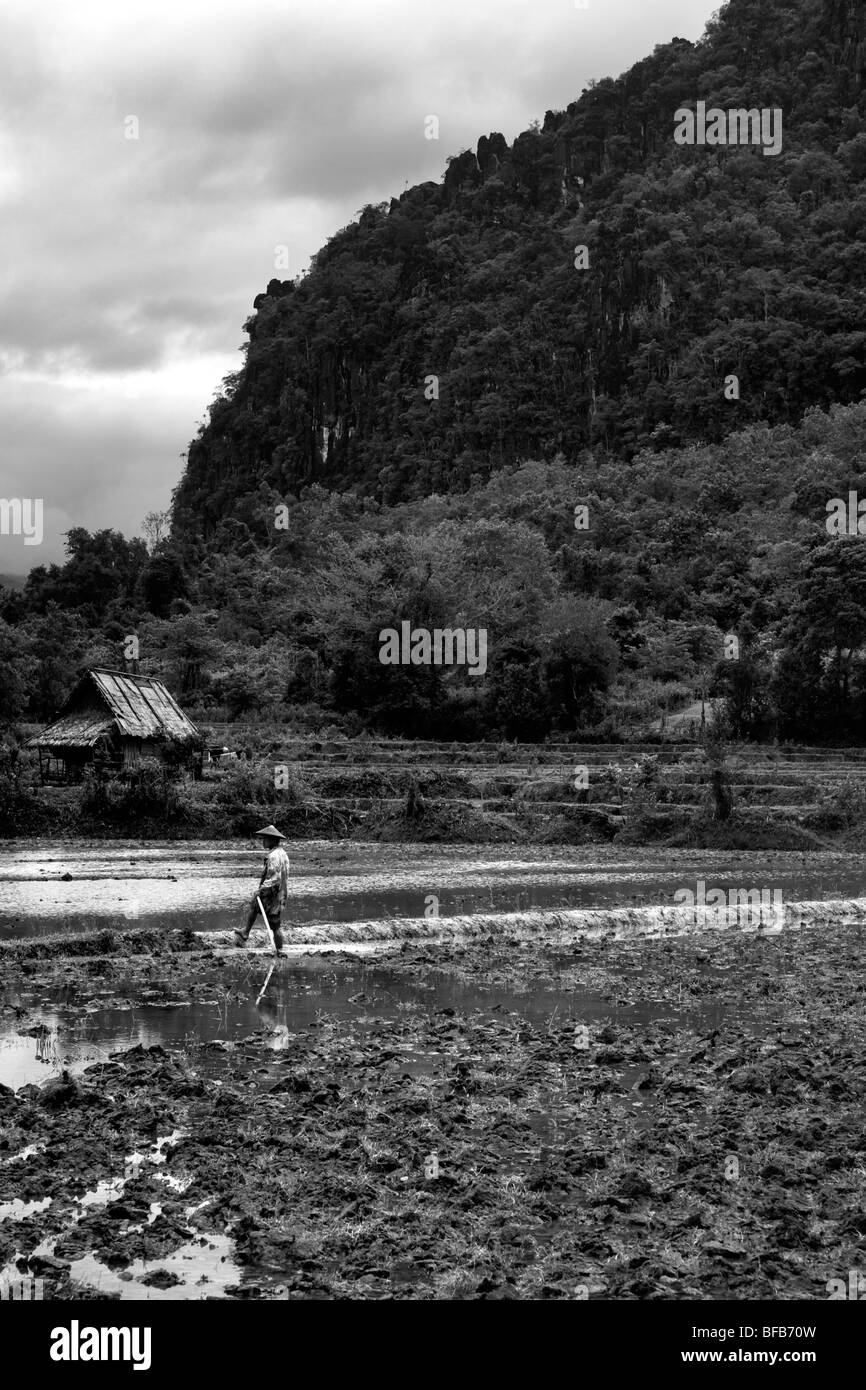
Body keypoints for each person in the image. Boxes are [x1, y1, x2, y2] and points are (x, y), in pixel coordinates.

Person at [234, 824, 290, 952]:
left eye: (265, 839)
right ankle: (246, 932)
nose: (263, 841)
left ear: (272, 839)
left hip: (272, 892)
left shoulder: (273, 856)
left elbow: (274, 877)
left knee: (274, 925)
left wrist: (261, 889)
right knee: (255, 906)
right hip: (281, 892)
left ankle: (279, 950)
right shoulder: (283, 853)